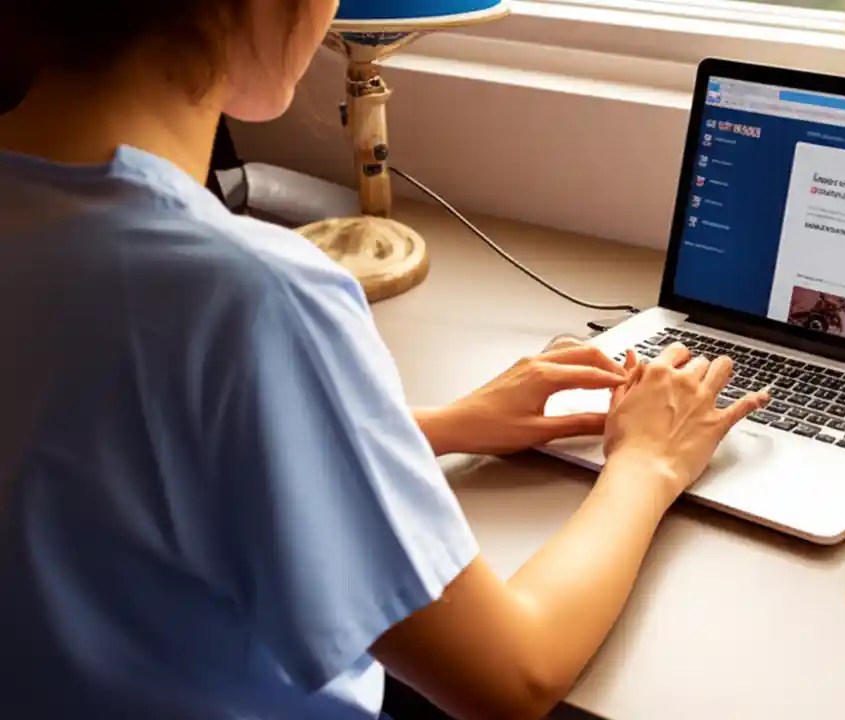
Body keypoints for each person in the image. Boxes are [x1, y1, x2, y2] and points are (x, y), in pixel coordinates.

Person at [0, 2, 768, 719]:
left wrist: (430, 427)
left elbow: (101, 446)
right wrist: (647, 465)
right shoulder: (246, 296)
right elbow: (511, 677)